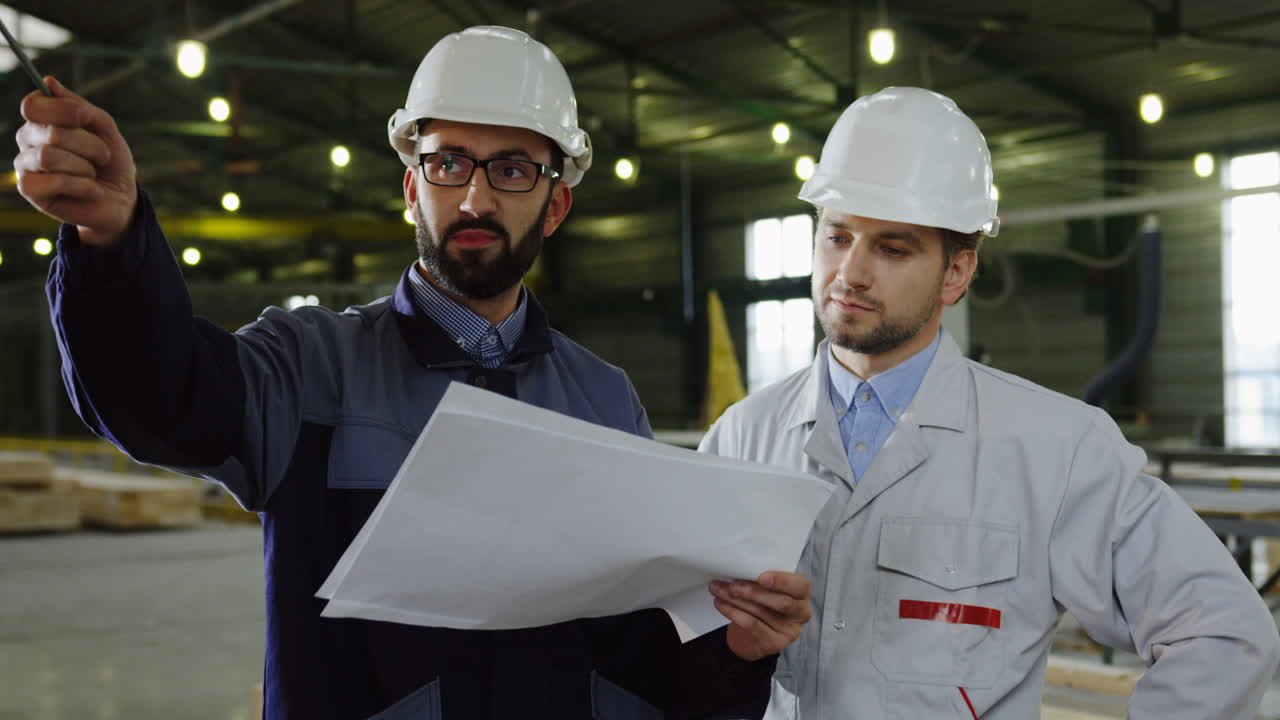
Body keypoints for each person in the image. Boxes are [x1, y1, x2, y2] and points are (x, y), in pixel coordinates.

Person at [17, 25, 811, 720]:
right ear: (410, 187)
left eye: (510, 170)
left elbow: (641, 651)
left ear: (556, 205)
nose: (472, 196)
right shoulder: (307, 367)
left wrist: (734, 652)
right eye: (447, 163)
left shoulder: (604, 398)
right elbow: (159, 397)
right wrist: (112, 241)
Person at [699, 86, 1280, 719]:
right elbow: (671, 654)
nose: (850, 273)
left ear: (957, 273)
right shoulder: (740, 439)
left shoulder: (1057, 451)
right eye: (837, 237)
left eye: (892, 248)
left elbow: (1226, 634)